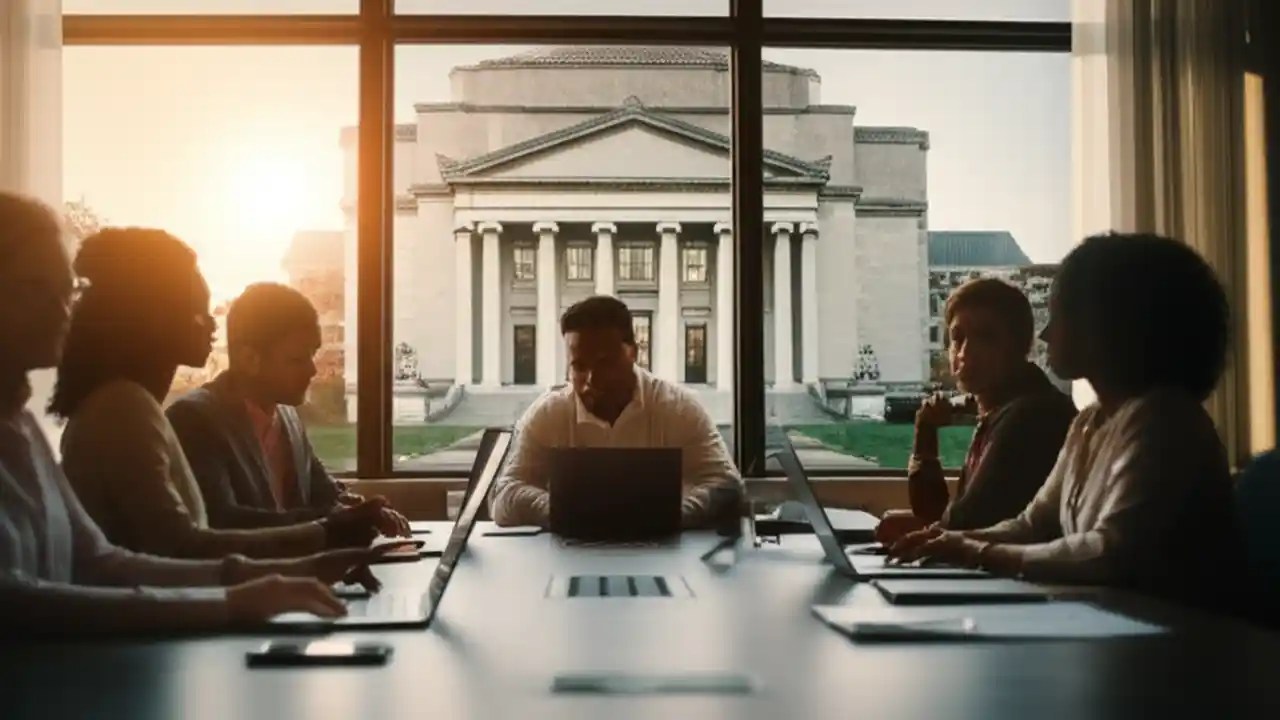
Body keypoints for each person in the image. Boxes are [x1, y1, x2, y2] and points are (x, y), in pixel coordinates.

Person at [0, 192, 387, 633]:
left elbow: (98, 562)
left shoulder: (25, 425)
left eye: (66, 288)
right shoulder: (120, 409)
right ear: (149, 313)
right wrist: (248, 591)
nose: (62, 306)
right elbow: (172, 547)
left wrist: (304, 565)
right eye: (36, 287)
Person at [889, 232, 1241, 612]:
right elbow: (1031, 525)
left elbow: (1108, 551)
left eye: (1060, 315)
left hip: (1174, 649)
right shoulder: (1088, 422)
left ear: (1112, 323)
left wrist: (976, 551)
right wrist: (946, 543)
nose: (1044, 333)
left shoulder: (1164, 422)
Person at [52, 228, 403, 560]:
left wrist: (337, 527)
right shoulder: (126, 411)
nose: (213, 322)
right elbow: (186, 545)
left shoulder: (128, 406)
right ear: (155, 316)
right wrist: (323, 536)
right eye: (197, 310)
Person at [167, 282, 408, 535]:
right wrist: (330, 525)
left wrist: (364, 513)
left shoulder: (288, 416)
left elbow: (323, 494)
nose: (312, 370)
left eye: (312, 355)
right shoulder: (194, 420)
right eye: (297, 359)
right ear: (249, 359)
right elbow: (222, 520)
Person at [491, 295, 742, 529]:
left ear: (633, 352)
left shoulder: (678, 409)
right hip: (573, 556)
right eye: (579, 366)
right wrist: (565, 512)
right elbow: (504, 497)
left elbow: (729, 487)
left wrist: (668, 514)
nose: (591, 380)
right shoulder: (548, 414)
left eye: (604, 364)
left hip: (659, 552)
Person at [876, 279, 1076, 544]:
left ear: (1021, 346)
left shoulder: (1030, 417)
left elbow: (963, 523)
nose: (966, 353)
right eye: (957, 338)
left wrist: (925, 531)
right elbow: (938, 515)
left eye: (986, 337)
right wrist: (925, 432)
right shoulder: (998, 409)